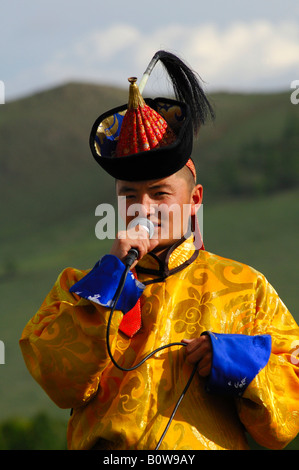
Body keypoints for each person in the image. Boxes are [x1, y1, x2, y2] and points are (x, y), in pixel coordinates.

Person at [20, 51, 299, 451]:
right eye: (129, 194)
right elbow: (59, 383)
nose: (144, 207)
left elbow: (285, 422)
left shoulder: (247, 290)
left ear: (194, 200)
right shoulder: (77, 288)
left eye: (160, 193)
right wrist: (108, 283)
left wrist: (237, 362)